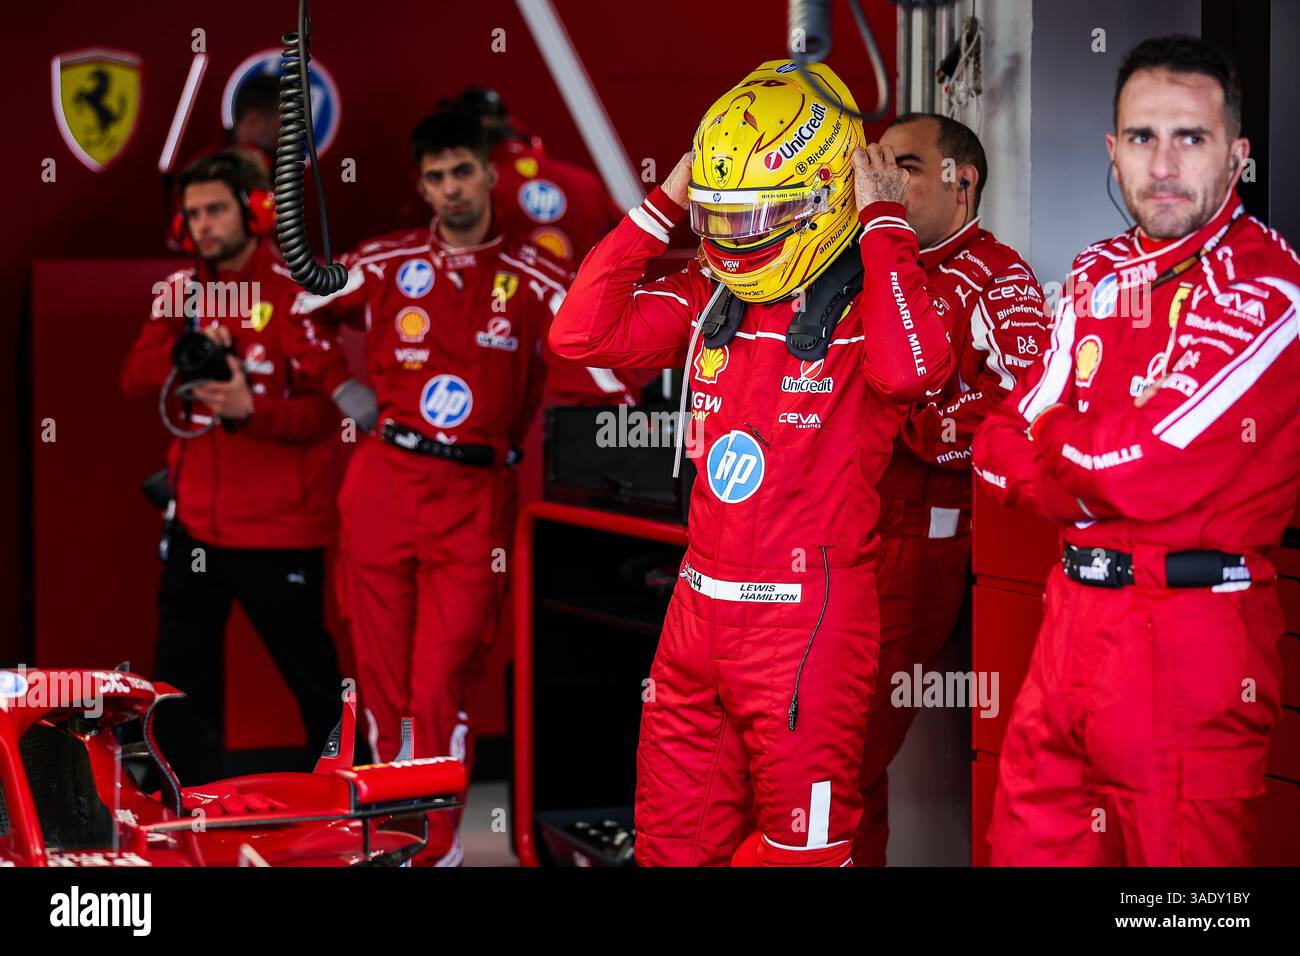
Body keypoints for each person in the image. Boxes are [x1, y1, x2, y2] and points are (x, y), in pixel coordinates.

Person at [550, 59, 954, 866]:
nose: (737, 236)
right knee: (671, 849)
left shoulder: (881, 297)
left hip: (807, 619)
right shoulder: (712, 290)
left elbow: (917, 372)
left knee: (800, 853)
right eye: (722, 216)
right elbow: (580, 334)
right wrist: (666, 200)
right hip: (696, 611)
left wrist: (881, 224)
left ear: (827, 195)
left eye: (759, 215)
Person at [972, 34, 1300, 865]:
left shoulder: (1266, 286)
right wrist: (1079, 455)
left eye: (1191, 137)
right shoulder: (1094, 275)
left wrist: (1062, 451)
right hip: (1070, 629)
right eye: (1144, 138)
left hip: (1192, 641)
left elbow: (1148, 467)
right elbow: (995, 439)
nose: (1164, 165)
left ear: (1236, 155)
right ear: (1113, 152)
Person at [290, 110, 570, 866]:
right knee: (381, 685)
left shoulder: (536, 271)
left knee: (440, 679)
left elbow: (602, 356)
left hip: (476, 498)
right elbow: (296, 311)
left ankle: (437, 847)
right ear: (422, 184)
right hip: (384, 482)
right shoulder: (384, 260)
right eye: (436, 177)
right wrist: (339, 389)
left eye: (463, 172)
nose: (451, 189)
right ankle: (394, 838)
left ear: (488, 173)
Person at [850, 114, 1048, 866]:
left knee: (843, 759)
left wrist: (908, 423)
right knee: (806, 752)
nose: (880, 180)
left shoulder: (1000, 278)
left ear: (961, 182)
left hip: (919, 544)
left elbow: (1024, 416)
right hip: (841, 539)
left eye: (903, 165)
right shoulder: (870, 262)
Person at [121, 150, 346, 785]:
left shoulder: (295, 293)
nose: (203, 225)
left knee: (314, 681)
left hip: (279, 533)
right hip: (194, 523)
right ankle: (177, 805)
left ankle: (344, 802)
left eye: (216, 208)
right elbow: (132, 378)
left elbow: (328, 415)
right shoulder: (183, 293)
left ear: (256, 209)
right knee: (178, 685)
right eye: (192, 213)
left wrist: (253, 410)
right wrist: (183, 355)